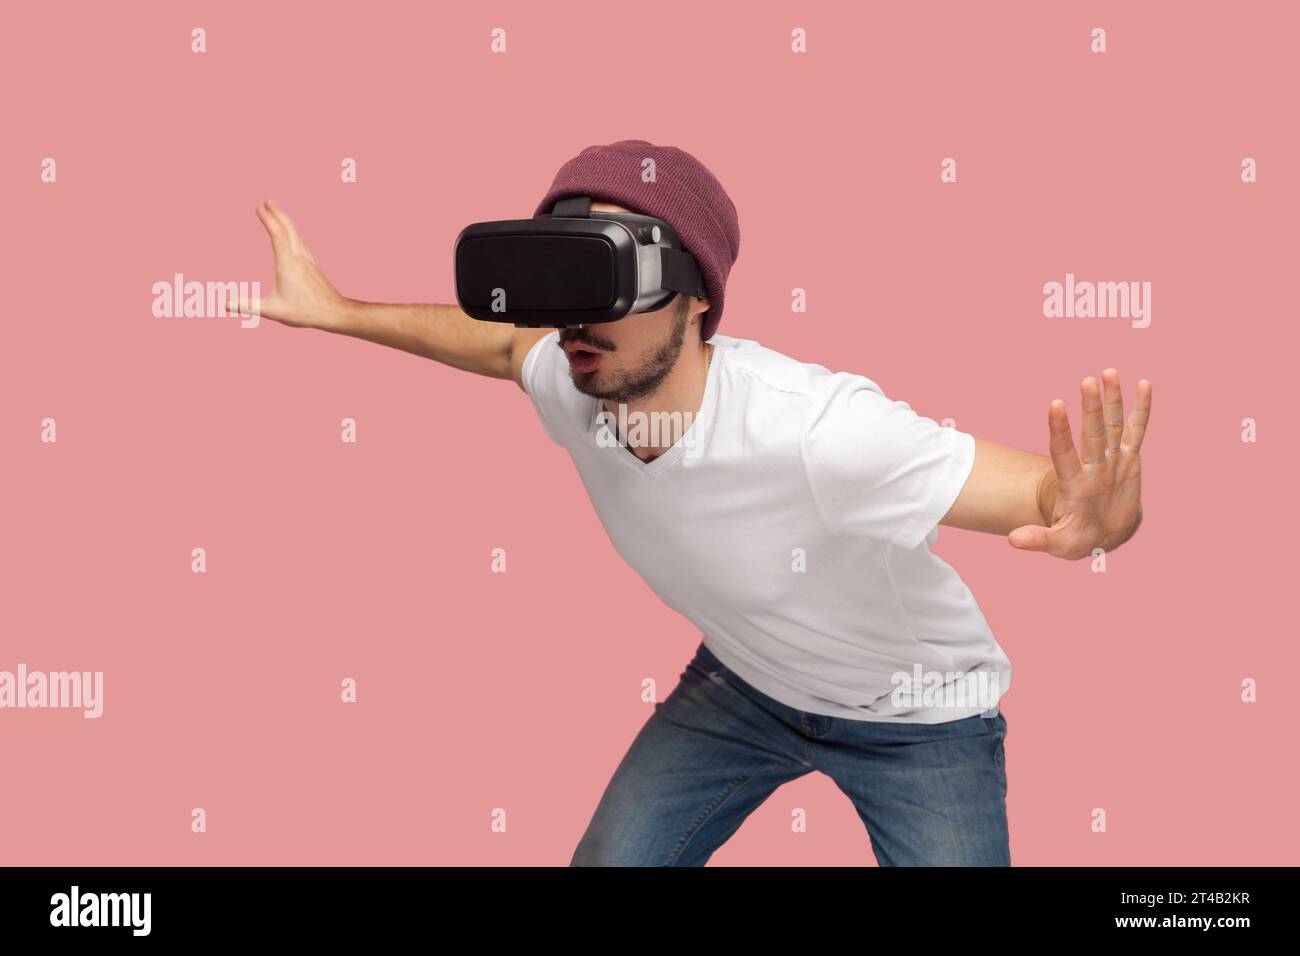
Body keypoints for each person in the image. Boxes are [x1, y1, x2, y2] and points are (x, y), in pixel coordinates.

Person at [232, 140, 1151, 866]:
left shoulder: (816, 432)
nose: (574, 321)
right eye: (563, 279)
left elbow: (1041, 491)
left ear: (694, 296)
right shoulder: (572, 375)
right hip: (747, 684)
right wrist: (340, 309)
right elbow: (497, 348)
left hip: (918, 715)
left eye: (610, 277)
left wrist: (1099, 517)